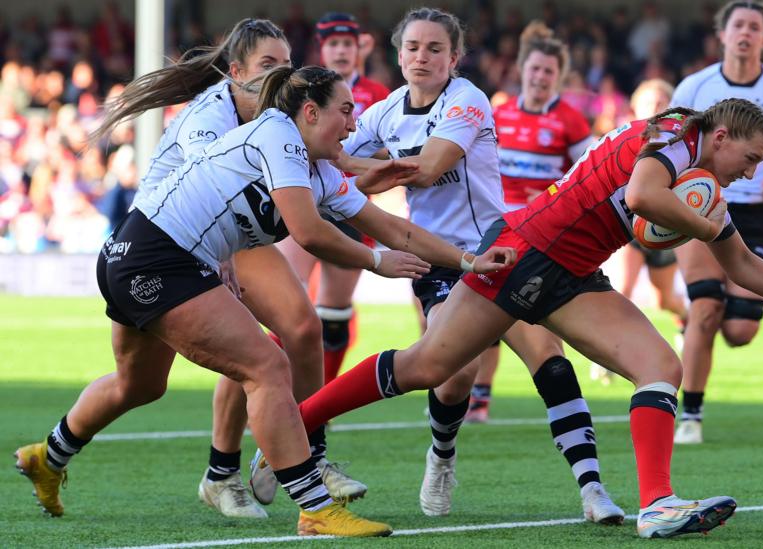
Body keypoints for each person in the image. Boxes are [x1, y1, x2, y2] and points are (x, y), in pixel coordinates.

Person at [297, 97, 763, 539]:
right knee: (428, 366)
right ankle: (294, 427)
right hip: (528, 252)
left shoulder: (699, 177)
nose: (750, 173)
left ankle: (656, 506)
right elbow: (647, 197)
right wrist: (704, 225)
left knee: (658, 364)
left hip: (572, 271)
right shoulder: (676, 136)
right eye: (749, 159)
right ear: (720, 136)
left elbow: (742, 264)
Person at [14, 65, 514, 537]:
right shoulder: (276, 131)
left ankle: (48, 456)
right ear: (310, 112)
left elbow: (396, 228)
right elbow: (308, 232)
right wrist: (375, 263)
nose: (354, 123)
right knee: (267, 366)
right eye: (345, 110)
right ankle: (315, 507)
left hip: (141, 255)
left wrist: (468, 261)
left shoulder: (318, 175)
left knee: (139, 385)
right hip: (157, 257)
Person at [336, 9, 624, 522]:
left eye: (434, 49)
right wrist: (366, 168)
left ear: (454, 57)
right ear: (398, 54)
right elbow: (331, 159)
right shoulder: (382, 113)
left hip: (504, 248)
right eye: (413, 48)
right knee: (454, 372)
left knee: (549, 359)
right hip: (438, 260)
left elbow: (429, 167)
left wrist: (372, 171)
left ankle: (593, 488)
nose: (422, 57)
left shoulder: (466, 99)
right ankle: (442, 455)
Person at [90, 19, 368, 518]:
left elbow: (329, 164)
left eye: (285, 63)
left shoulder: (278, 117)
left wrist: (365, 170)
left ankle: (302, 456)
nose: (280, 73)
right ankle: (231, 472)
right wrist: (220, 263)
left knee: (298, 330)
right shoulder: (209, 118)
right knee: (240, 358)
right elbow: (210, 188)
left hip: (222, 235)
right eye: (267, 65)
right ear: (235, 72)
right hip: (179, 238)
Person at [669, 0, 763, 445]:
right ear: (723, 34)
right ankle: (690, 413)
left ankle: (694, 328)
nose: (745, 33)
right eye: (738, 25)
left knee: (740, 330)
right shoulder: (695, 86)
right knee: (707, 307)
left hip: (755, 213)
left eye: (754, 26)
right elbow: (669, 141)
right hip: (698, 203)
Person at [466, 21, 596, 424]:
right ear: (522, 70)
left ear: (559, 77)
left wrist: (552, 198)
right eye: (534, 69)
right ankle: (480, 398)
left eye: (548, 72)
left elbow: (587, 177)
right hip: (501, 227)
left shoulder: (571, 121)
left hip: (548, 231)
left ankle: (555, 390)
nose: (540, 77)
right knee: (487, 305)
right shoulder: (499, 114)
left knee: (544, 312)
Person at [275, 12, 390, 402]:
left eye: (348, 43)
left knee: (335, 316)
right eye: (334, 44)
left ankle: (318, 402)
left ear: (361, 49)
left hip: (351, 209)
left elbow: (390, 153)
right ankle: (276, 393)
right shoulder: (306, 90)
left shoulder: (379, 94)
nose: (341, 50)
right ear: (322, 49)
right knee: (284, 305)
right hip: (305, 201)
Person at [598, 78, 687, 386]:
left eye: (662, 102)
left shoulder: (679, 143)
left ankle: (685, 318)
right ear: (635, 107)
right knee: (622, 289)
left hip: (663, 229)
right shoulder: (621, 139)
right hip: (630, 228)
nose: (656, 108)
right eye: (650, 102)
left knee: (664, 300)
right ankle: (609, 354)